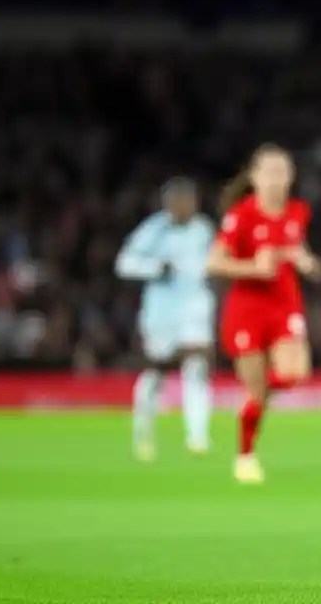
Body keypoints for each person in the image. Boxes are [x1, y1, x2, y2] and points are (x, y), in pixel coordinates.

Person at [207, 144, 321, 485]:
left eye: (282, 171)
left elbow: (299, 251)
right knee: (258, 393)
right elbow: (214, 262)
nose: (275, 179)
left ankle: (251, 404)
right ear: (254, 177)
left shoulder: (298, 212)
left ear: (291, 177)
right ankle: (245, 455)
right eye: (269, 171)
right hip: (247, 310)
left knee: (296, 372)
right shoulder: (241, 216)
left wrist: (307, 263)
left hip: (285, 304)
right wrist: (253, 269)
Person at [115, 177, 217, 462]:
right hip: (161, 313)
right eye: (179, 201)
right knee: (155, 373)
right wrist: (155, 268)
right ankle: (143, 435)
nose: (185, 206)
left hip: (195, 310)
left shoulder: (204, 230)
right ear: (168, 204)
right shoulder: (154, 229)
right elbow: (123, 263)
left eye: (190, 200)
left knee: (197, 366)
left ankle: (198, 437)